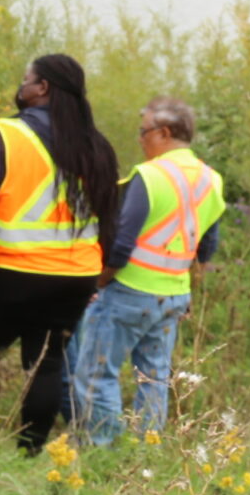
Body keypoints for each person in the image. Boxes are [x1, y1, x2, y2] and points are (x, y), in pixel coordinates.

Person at [0, 53, 119, 453]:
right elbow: (112, 217)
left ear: (43, 88)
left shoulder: (7, 136)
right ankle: (31, 453)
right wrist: (98, 271)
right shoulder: (98, 147)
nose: (20, 87)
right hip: (73, 278)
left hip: (7, 272)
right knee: (47, 363)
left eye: (26, 79)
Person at [66, 96, 225, 446]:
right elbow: (206, 245)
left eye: (143, 132)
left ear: (164, 133)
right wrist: (186, 290)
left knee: (96, 374)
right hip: (173, 294)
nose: (140, 140)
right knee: (153, 379)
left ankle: (100, 450)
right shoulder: (211, 180)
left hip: (129, 290)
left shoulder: (151, 176)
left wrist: (99, 281)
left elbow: (122, 242)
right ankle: (144, 456)